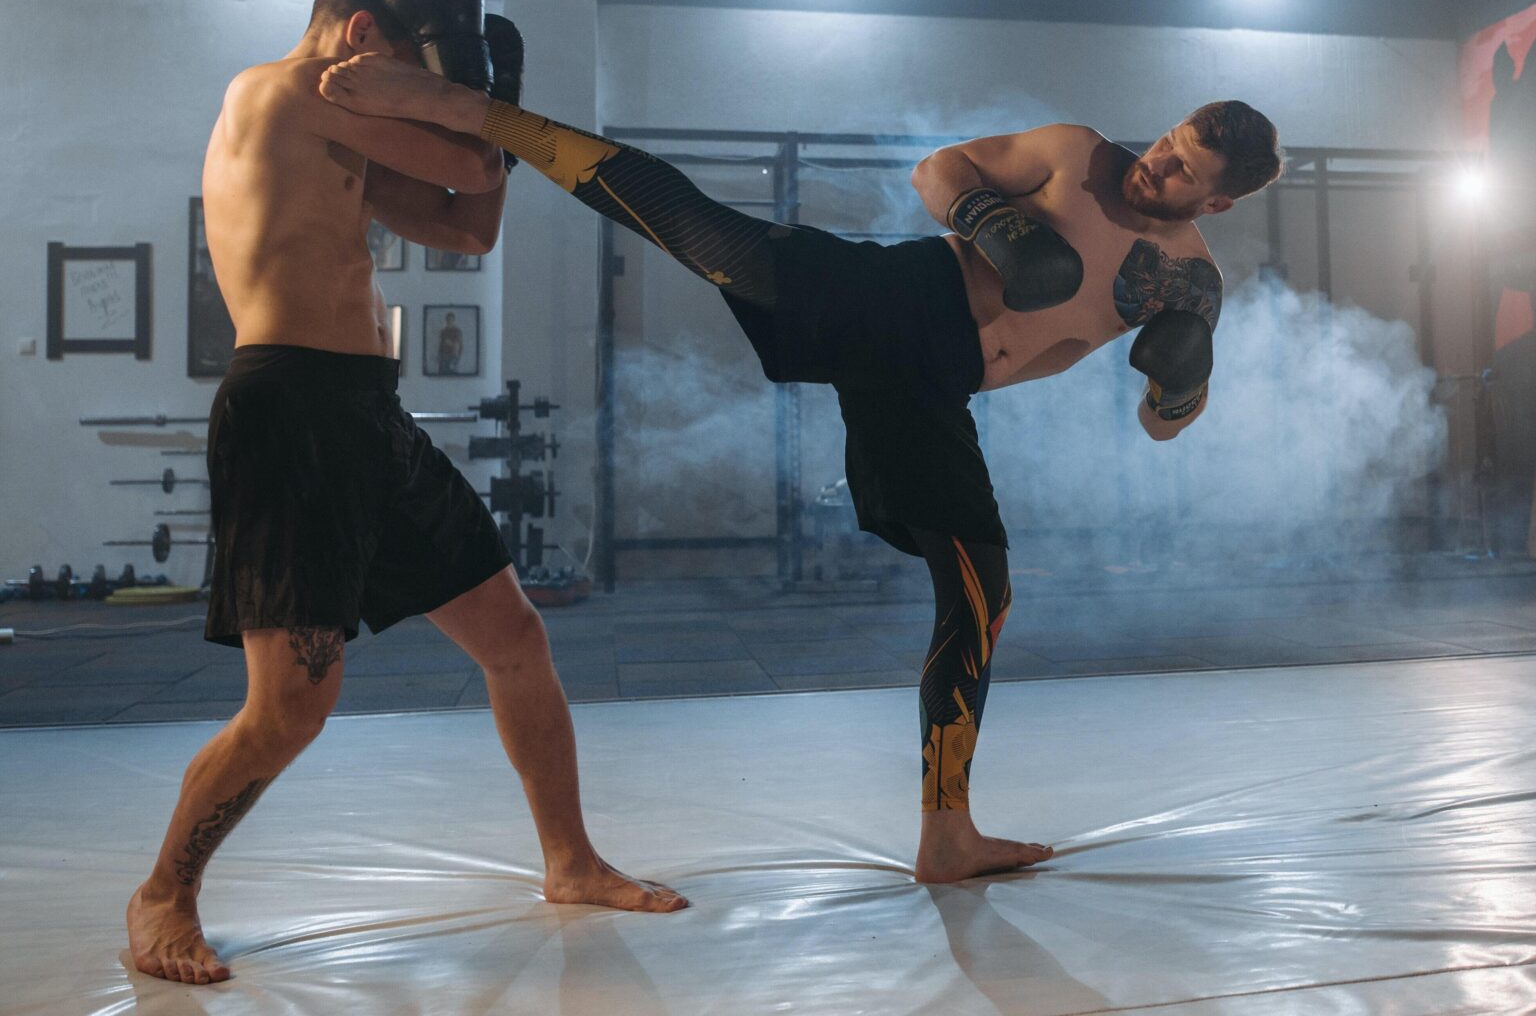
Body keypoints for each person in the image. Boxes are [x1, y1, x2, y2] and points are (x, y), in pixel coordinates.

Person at [318, 53, 1282, 884]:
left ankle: (946, 836)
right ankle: (475, 112)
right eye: (1166, 141)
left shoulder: (1190, 282)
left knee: (983, 591)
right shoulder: (1078, 152)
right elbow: (940, 168)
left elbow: (1164, 429)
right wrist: (999, 224)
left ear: (1220, 200)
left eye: (1182, 170)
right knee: (695, 227)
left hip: (937, 387)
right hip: (895, 296)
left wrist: (1178, 379)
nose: (1155, 164)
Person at [127, 0, 686, 988]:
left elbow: (471, 216)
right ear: (358, 38)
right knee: (292, 703)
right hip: (288, 411)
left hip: (368, 415)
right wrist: (474, 97)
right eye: (402, 62)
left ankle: (569, 860)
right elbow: (470, 155)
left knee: (516, 637)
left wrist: (488, 109)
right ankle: (164, 891)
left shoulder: (339, 141)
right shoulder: (278, 91)